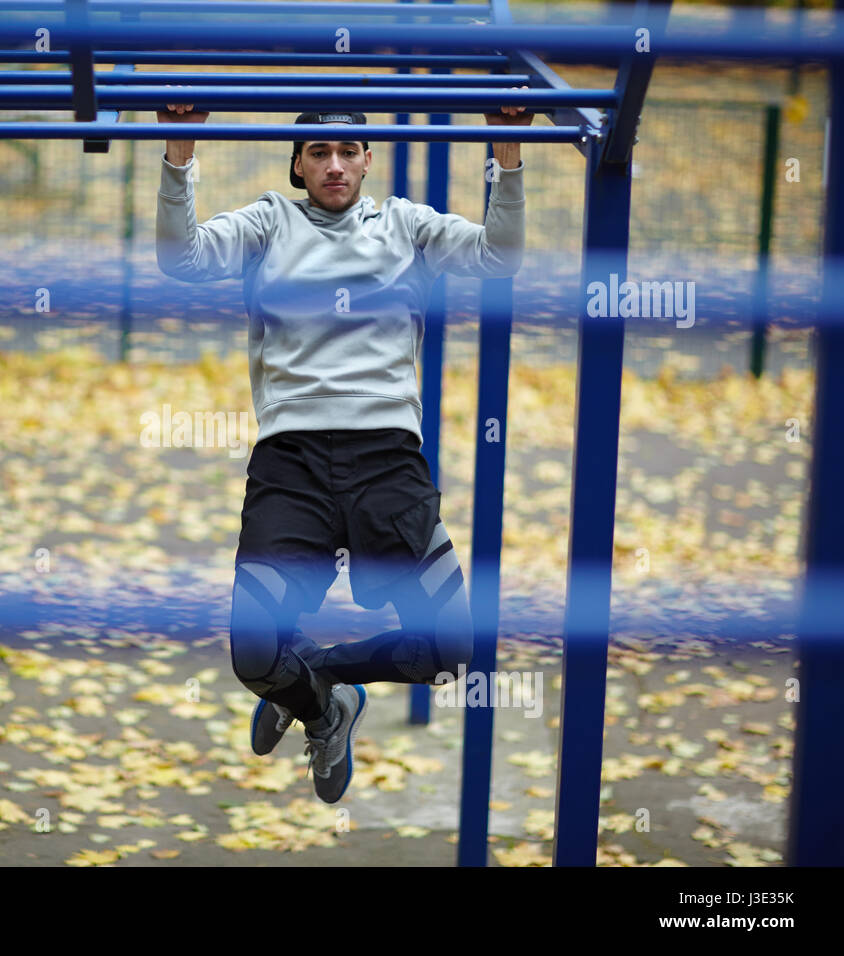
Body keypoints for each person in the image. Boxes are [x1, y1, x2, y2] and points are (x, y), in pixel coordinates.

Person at [155, 98, 532, 803]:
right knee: (256, 654)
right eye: (318, 153)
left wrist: (506, 154)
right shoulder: (271, 222)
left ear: (368, 159)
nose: (334, 165)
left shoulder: (406, 224)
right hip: (290, 461)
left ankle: (322, 678)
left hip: (386, 458)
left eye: (348, 151)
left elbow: (497, 257)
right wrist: (180, 152)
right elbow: (183, 258)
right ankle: (324, 709)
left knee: (449, 650)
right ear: (297, 164)